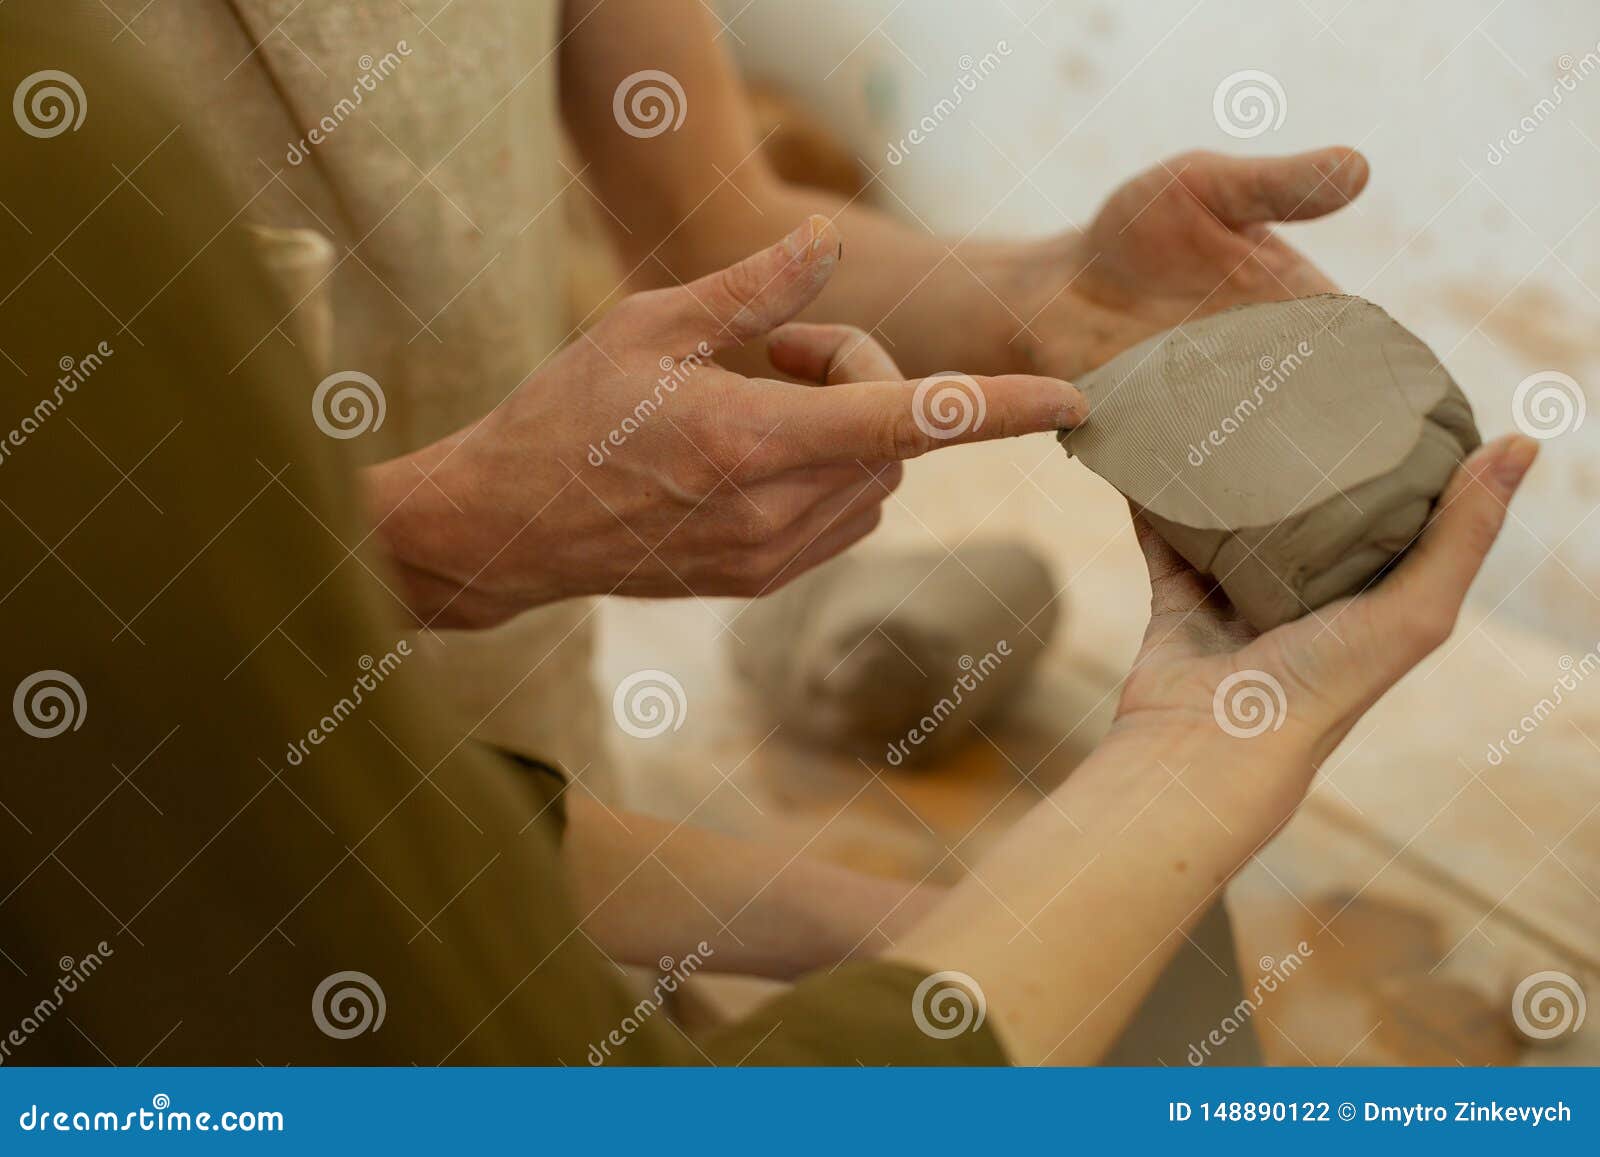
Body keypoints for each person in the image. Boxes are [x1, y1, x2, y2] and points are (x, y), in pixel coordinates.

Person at [2, 4, 1533, 1064]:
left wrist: (1064, 295)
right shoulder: (45, 108)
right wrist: (429, 535)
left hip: (498, 783)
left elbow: (721, 223)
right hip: (125, 873)